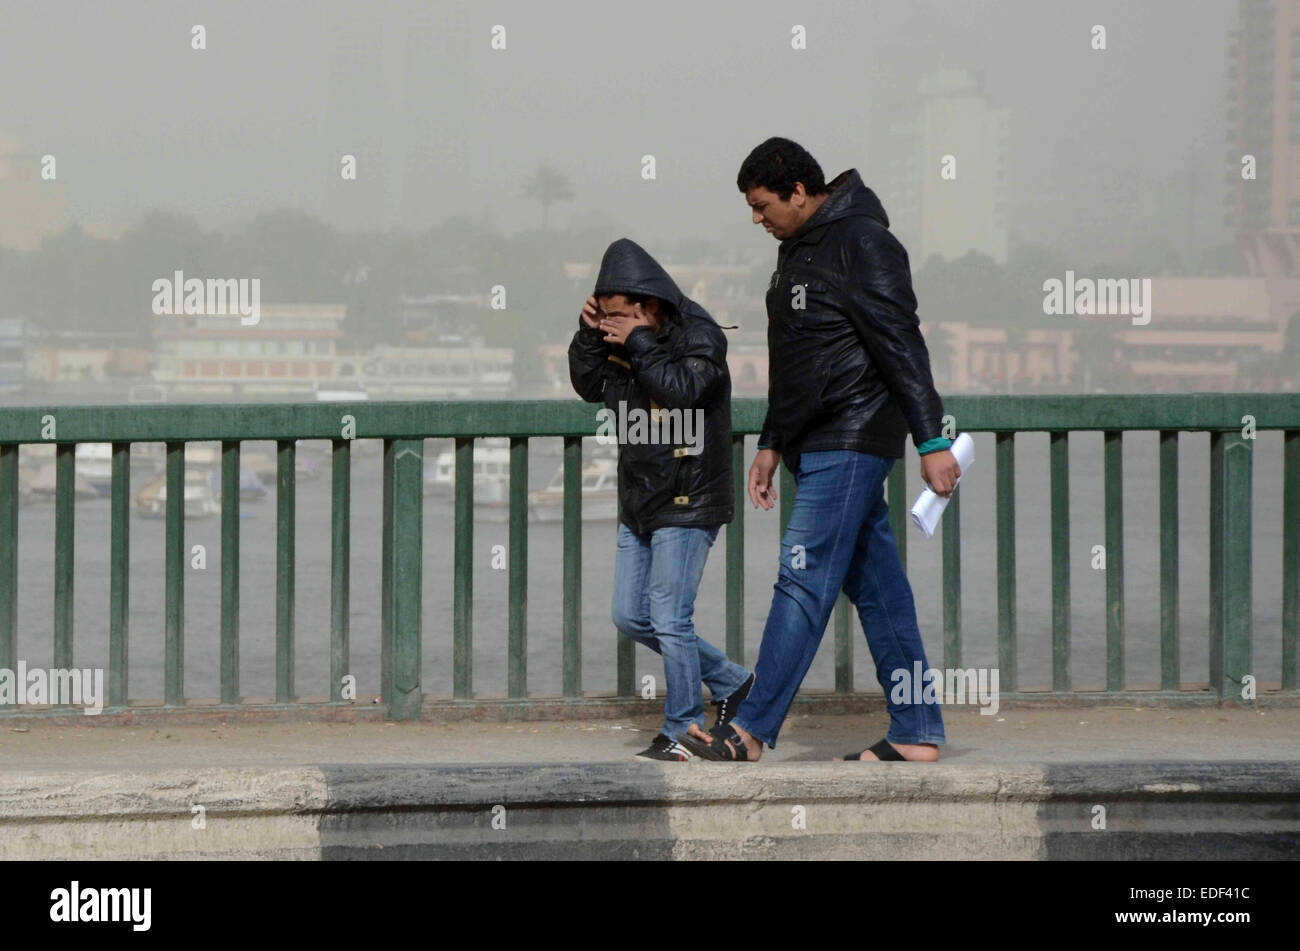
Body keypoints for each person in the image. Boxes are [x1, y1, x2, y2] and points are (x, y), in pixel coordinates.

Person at [678, 138, 960, 763]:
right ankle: (916, 730)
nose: (756, 218)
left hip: (851, 436)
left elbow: (901, 344)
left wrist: (932, 439)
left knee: (801, 579)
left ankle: (748, 731)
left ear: (800, 192)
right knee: (880, 588)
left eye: (761, 205)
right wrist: (772, 443)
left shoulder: (863, 242)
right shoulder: (797, 250)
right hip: (814, 441)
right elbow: (795, 363)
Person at [569, 238, 753, 761]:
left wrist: (640, 340)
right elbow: (587, 386)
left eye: (617, 316)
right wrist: (587, 336)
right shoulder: (611, 334)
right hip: (640, 495)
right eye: (601, 316)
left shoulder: (701, 336)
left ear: (648, 305)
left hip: (690, 492)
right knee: (630, 615)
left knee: (671, 616)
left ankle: (683, 730)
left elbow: (681, 393)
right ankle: (735, 682)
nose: (610, 326)